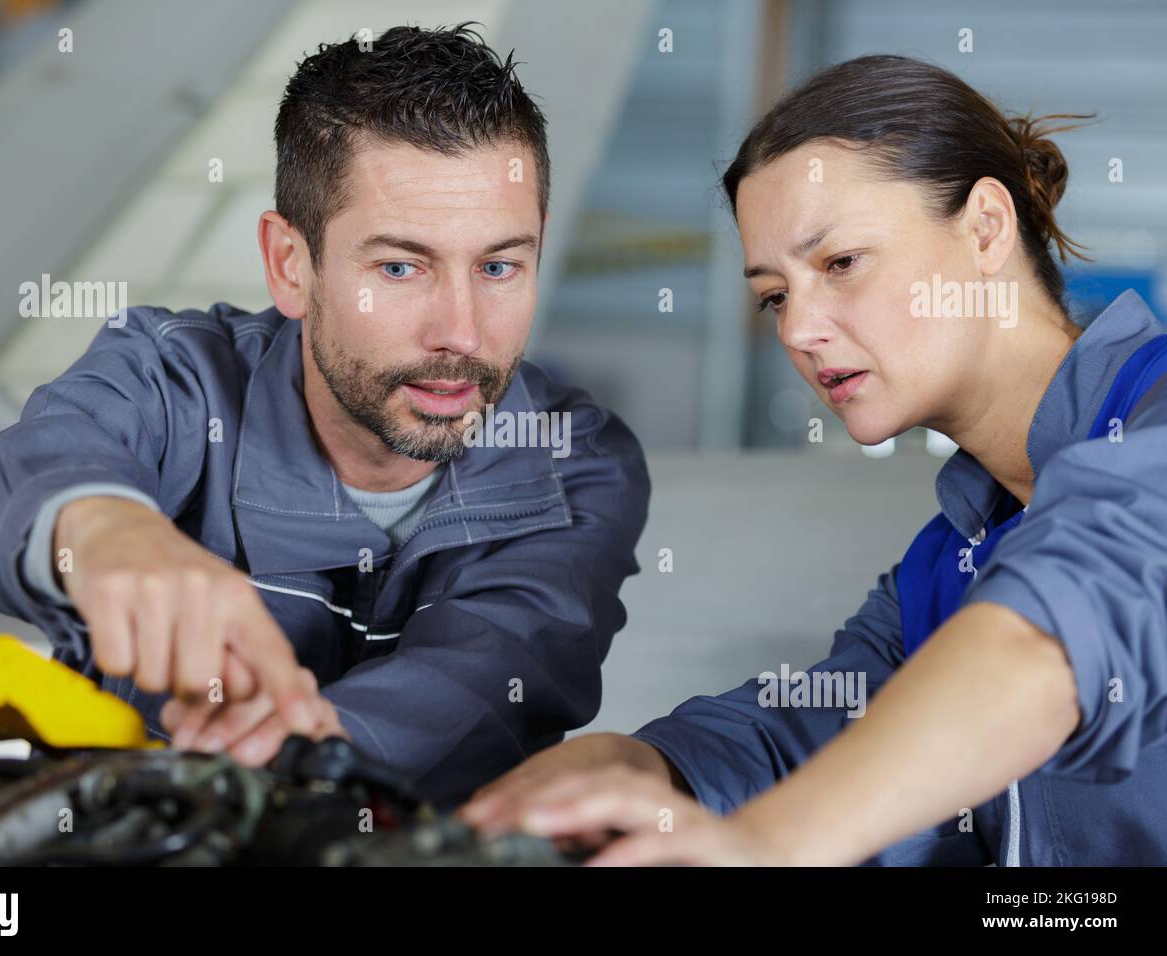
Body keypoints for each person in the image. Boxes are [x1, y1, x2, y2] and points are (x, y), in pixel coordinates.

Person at [0, 24, 649, 809]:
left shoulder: (577, 467)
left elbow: (483, 684)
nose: (461, 334)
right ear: (290, 266)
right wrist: (99, 527)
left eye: (499, 266)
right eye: (401, 267)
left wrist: (268, 759)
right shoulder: (174, 379)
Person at [460, 54, 1167, 865]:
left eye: (839, 264)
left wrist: (770, 843)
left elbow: (1053, 630)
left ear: (985, 229)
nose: (798, 331)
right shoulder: (942, 571)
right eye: (775, 295)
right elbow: (800, 737)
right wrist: (623, 770)